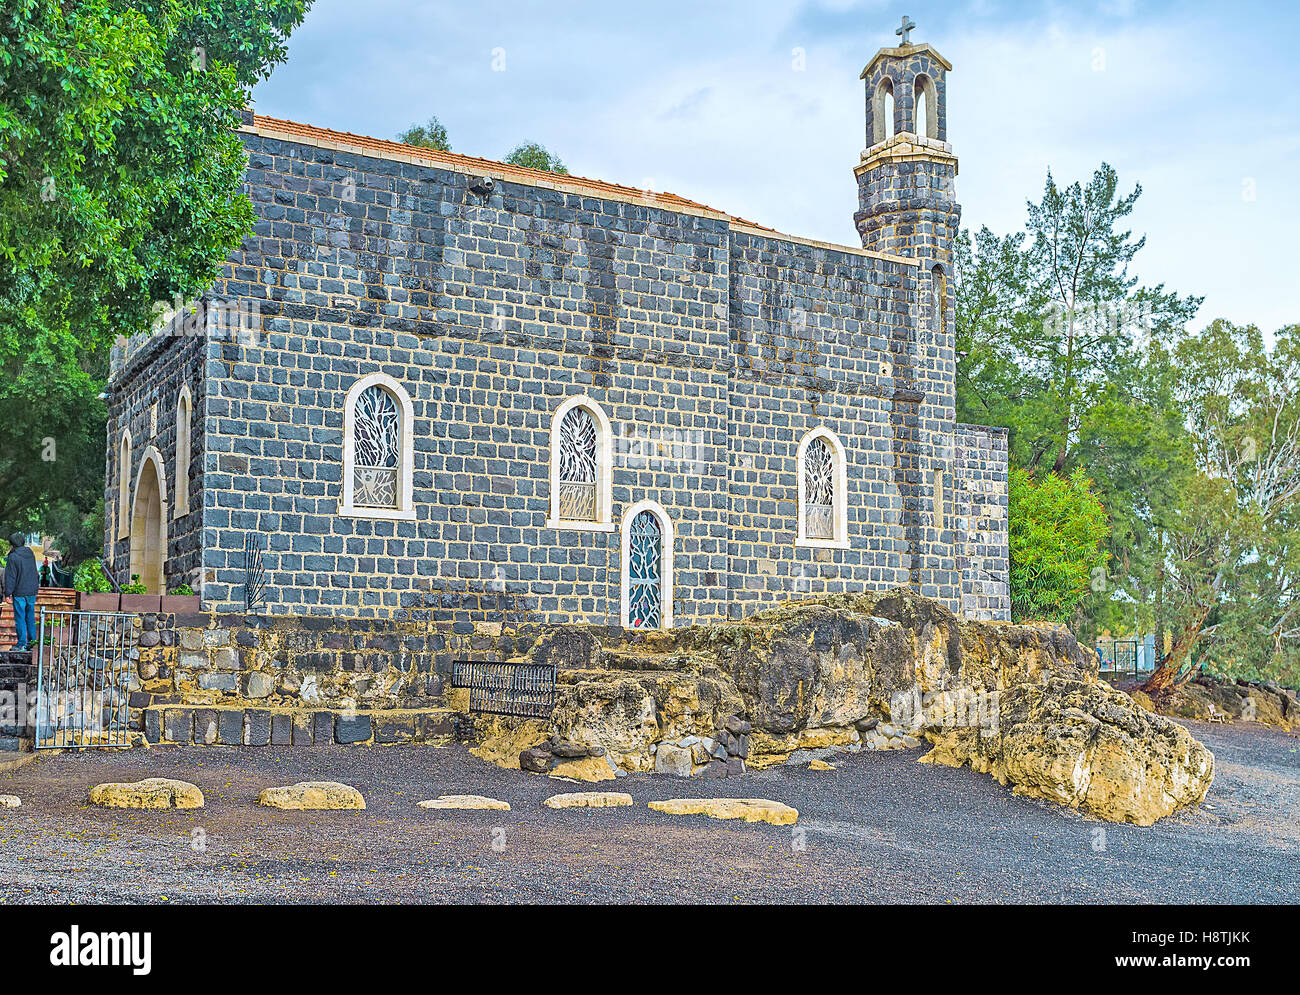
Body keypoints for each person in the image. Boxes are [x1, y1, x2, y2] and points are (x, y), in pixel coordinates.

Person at [4, 533, 39, 650]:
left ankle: (22, 643)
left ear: (12, 544)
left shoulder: (13, 557)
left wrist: (8, 593)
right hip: (31, 591)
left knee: (20, 617)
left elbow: (10, 576)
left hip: (19, 591)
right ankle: (33, 642)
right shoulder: (30, 554)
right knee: (30, 617)